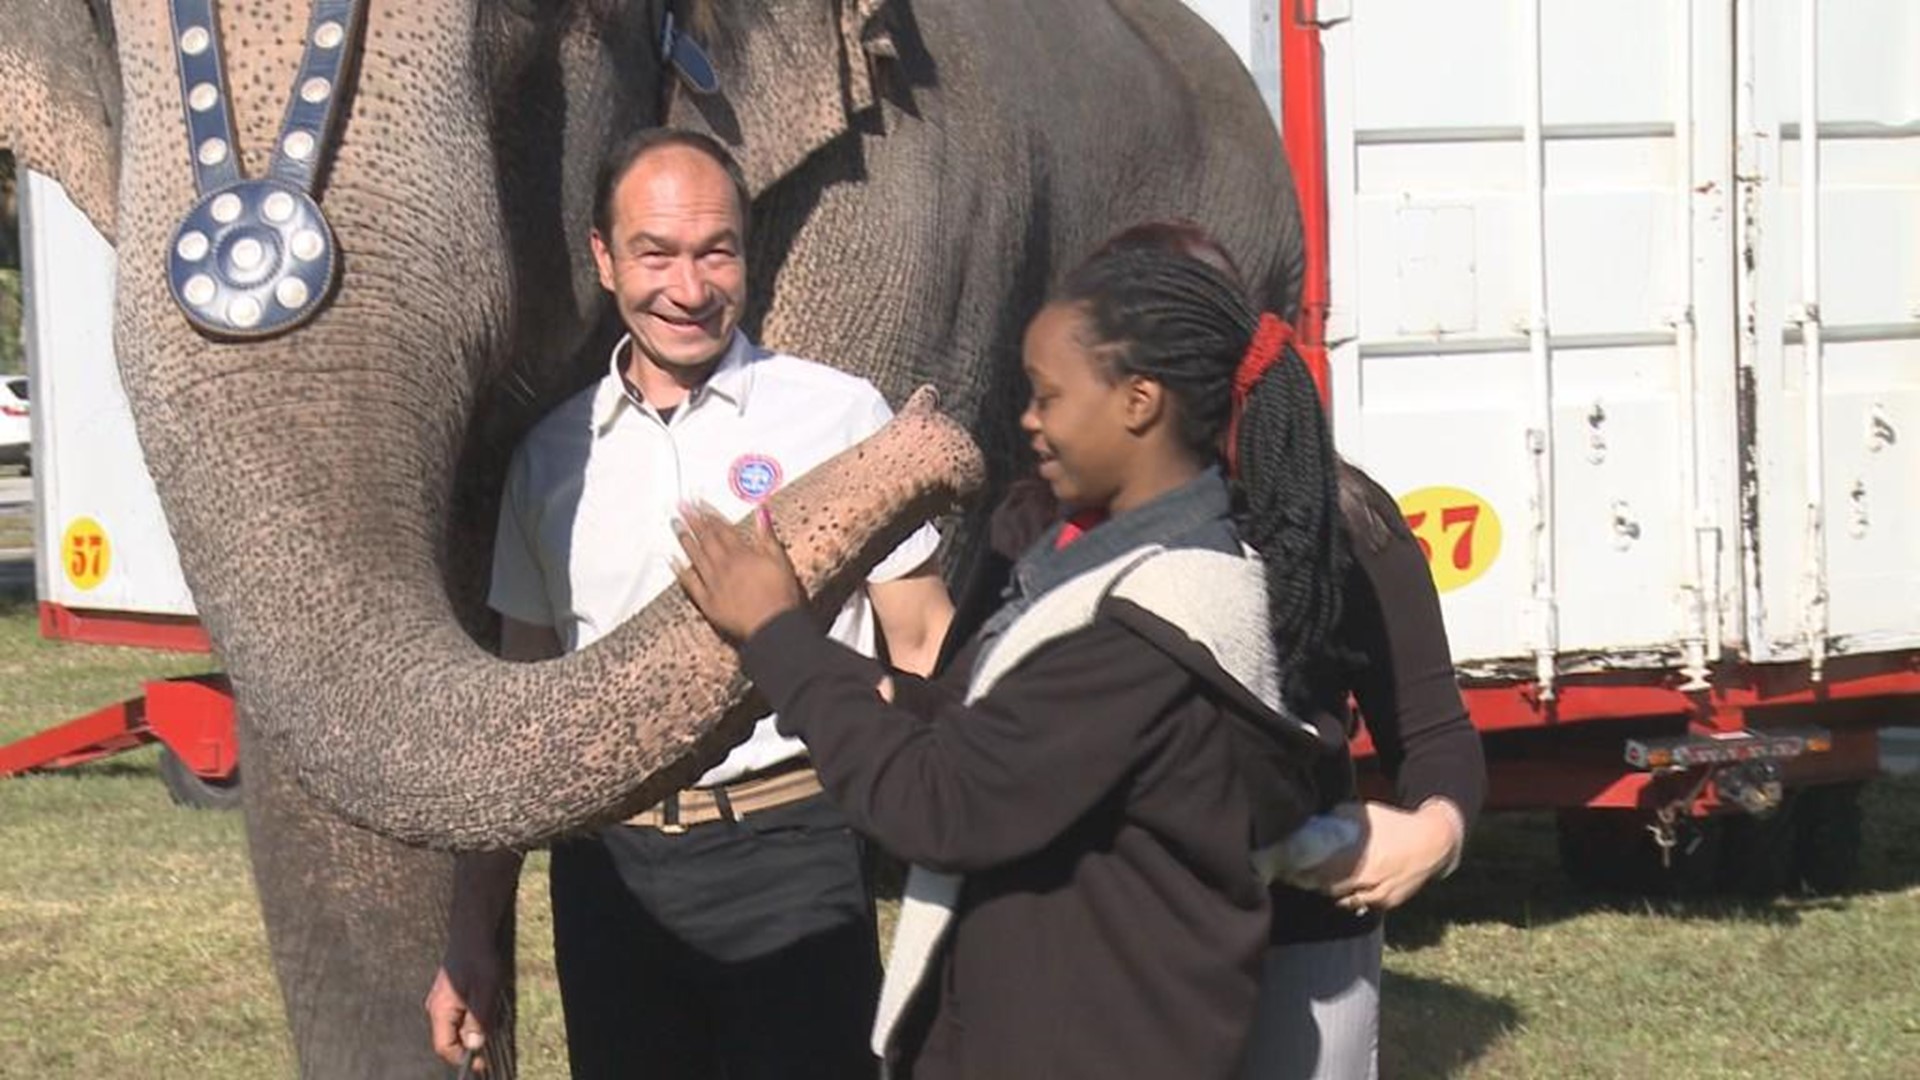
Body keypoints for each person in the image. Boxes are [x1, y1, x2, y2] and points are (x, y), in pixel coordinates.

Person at [674, 244, 1345, 1078]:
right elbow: (1011, 744)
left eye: (1050, 396)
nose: (1029, 420)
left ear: (1140, 401)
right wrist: (858, 680)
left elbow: (941, 802)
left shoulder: (1143, 626)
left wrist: (779, 633)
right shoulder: (1134, 573)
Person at [423, 127, 955, 1079]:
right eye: (655, 252)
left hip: (795, 851)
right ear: (603, 259)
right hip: (610, 876)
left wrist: (960, 877)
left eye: (716, 251)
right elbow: (523, 725)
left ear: (748, 250)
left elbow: (924, 647)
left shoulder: (840, 417)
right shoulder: (551, 457)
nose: (689, 286)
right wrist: (472, 934)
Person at [1007, 220, 1486, 1080]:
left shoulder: (1345, 522)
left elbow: (1434, 731)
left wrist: (1433, 834)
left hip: (1299, 949)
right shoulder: (1041, 521)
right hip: (1097, 948)